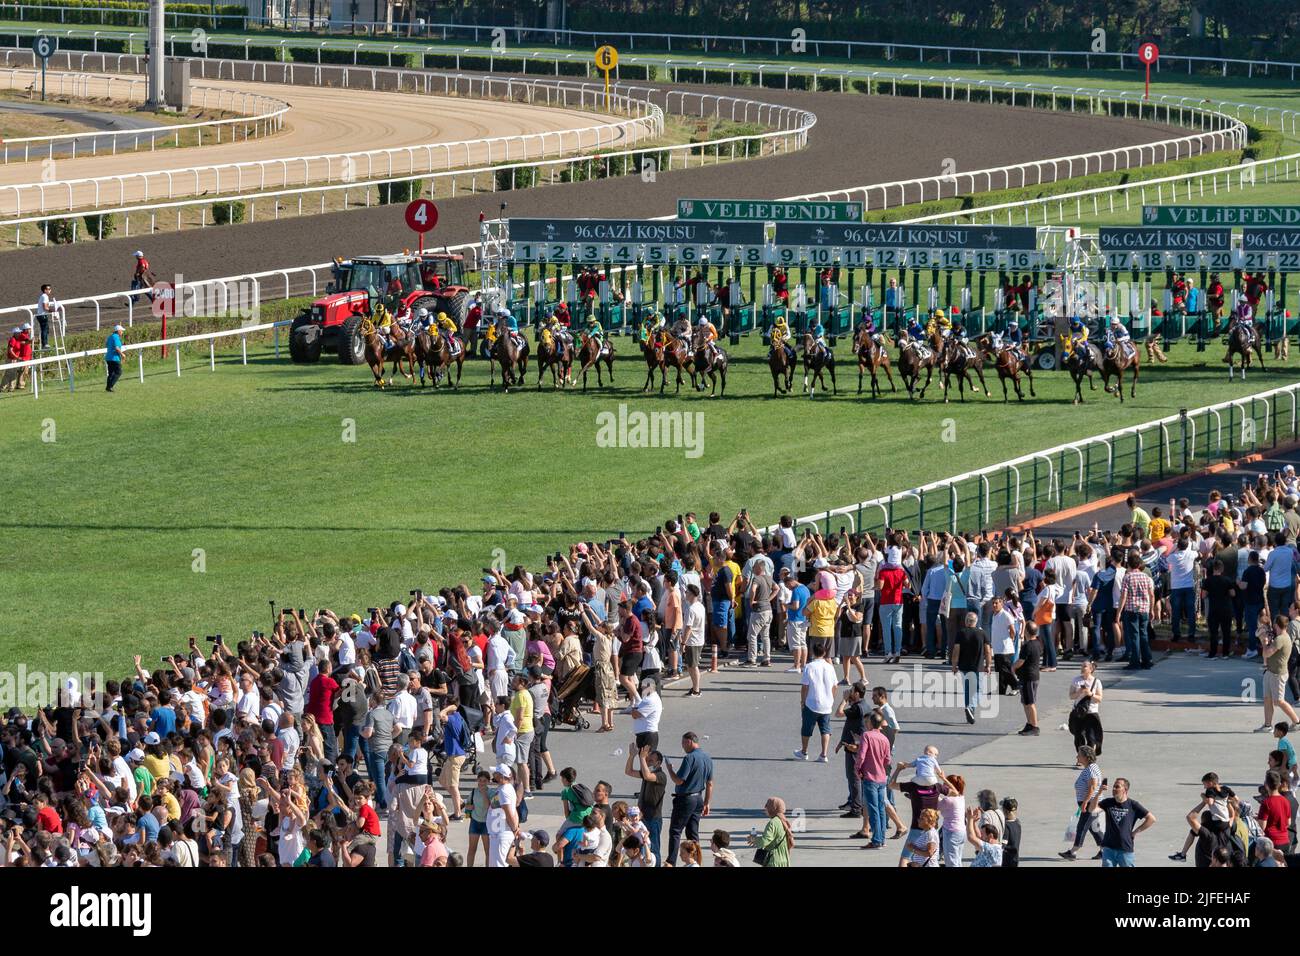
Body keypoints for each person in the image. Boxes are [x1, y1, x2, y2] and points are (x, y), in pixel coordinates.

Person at [665, 731, 713, 866]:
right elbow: (709, 783)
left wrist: (669, 769)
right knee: (693, 833)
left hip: (685, 799)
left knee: (675, 831)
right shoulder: (707, 758)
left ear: (689, 742)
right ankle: (697, 861)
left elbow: (679, 780)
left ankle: (671, 862)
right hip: (698, 798)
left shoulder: (690, 758)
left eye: (683, 743)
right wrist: (706, 803)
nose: (682, 746)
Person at [1096, 777, 1156, 867]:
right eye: (1113, 786)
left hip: (1125, 848)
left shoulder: (1133, 805)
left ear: (1125, 790)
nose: (1114, 789)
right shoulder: (1108, 802)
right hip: (1108, 847)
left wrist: (1135, 832)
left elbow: (1151, 819)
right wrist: (1099, 793)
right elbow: (1092, 809)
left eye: (1117, 787)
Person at [1059, 745, 1104, 860]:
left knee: (1082, 826)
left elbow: (1093, 787)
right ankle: (1105, 849)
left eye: (1079, 754)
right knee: (1094, 828)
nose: (1077, 756)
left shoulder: (1091, 769)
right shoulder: (1090, 768)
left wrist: (1085, 802)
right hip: (1090, 803)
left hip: (1090, 804)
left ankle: (1073, 851)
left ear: (1086, 757)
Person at [795, 642, 837, 762]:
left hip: (812, 702)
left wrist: (802, 701)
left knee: (806, 728)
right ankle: (824, 754)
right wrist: (832, 699)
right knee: (825, 729)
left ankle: (804, 751)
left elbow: (805, 686)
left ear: (813, 652)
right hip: (827, 703)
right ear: (824, 653)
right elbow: (835, 685)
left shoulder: (809, 667)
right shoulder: (830, 667)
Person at [1259, 614, 1299, 732]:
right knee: (1267, 698)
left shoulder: (1281, 639)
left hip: (1278, 674)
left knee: (1278, 701)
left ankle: (1297, 721)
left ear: (1276, 625)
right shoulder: (1280, 637)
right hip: (1270, 671)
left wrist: (1264, 642)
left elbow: (1266, 654)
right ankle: (1267, 725)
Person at [950, 611, 991, 724]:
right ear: (976, 621)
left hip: (964, 667)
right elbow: (987, 651)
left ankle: (969, 709)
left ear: (966, 621)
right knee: (979, 690)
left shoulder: (961, 633)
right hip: (978, 667)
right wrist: (988, 665)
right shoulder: (982, 633)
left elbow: (956, 651)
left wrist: (954, 665)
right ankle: (971, 707)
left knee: (968, 690)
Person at [1068, 659, 1104, 756]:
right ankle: (1080, 757)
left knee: (1091, 737)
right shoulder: (1076, 680)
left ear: (1091, 669)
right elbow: (1071, 696)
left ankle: (1090, 757)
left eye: (1084, 666)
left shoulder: (1097, 682)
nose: (1082, 668)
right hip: (1078, 712)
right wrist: (1079, 692)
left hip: (1091, 712)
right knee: (1078, 736)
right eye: (1081, 666)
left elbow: (1099, 698)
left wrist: (1091, 694)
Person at [1014, 620, 1043, 736]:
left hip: (1028, 677)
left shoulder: (1027, 646)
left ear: (1026, 631)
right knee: (1026, 701)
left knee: (1030, 702)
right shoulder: (1038, 643)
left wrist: (1013, 667)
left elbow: (1021, 661)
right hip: (1032, 676)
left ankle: (1035, 726)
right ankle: (1029, 723)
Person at [747, 796, 794, 867]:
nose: (765, 808)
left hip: (774, 861)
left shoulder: (773, 823)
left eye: (767, 806)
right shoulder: (783, 821)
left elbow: (765, 841)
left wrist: (754, 839)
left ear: (773, 808)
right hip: (784, 860)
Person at [35, 283, 57, 351]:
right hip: (42, 315)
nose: (50, 290)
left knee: (46, 329)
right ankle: (44, 344)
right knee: (45, 329)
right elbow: (45, 307)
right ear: (45, 290)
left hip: (41, 315)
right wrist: (52, 310)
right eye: (48, 289)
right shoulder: (45, 296)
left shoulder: (43, 296)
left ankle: (45, 343)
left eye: (50, 289)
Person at [104, 324, 125, 392]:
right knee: (119, 372)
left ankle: (108, 387)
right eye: (121, 331)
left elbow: (106, 345)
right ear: (118, 331)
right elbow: (116, 348)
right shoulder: (116, 337)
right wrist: (122, 354)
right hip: (114, 358)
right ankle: (110, 386)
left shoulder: (110, 337)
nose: (122, 332)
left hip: (108, 358)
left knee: (111, 373)